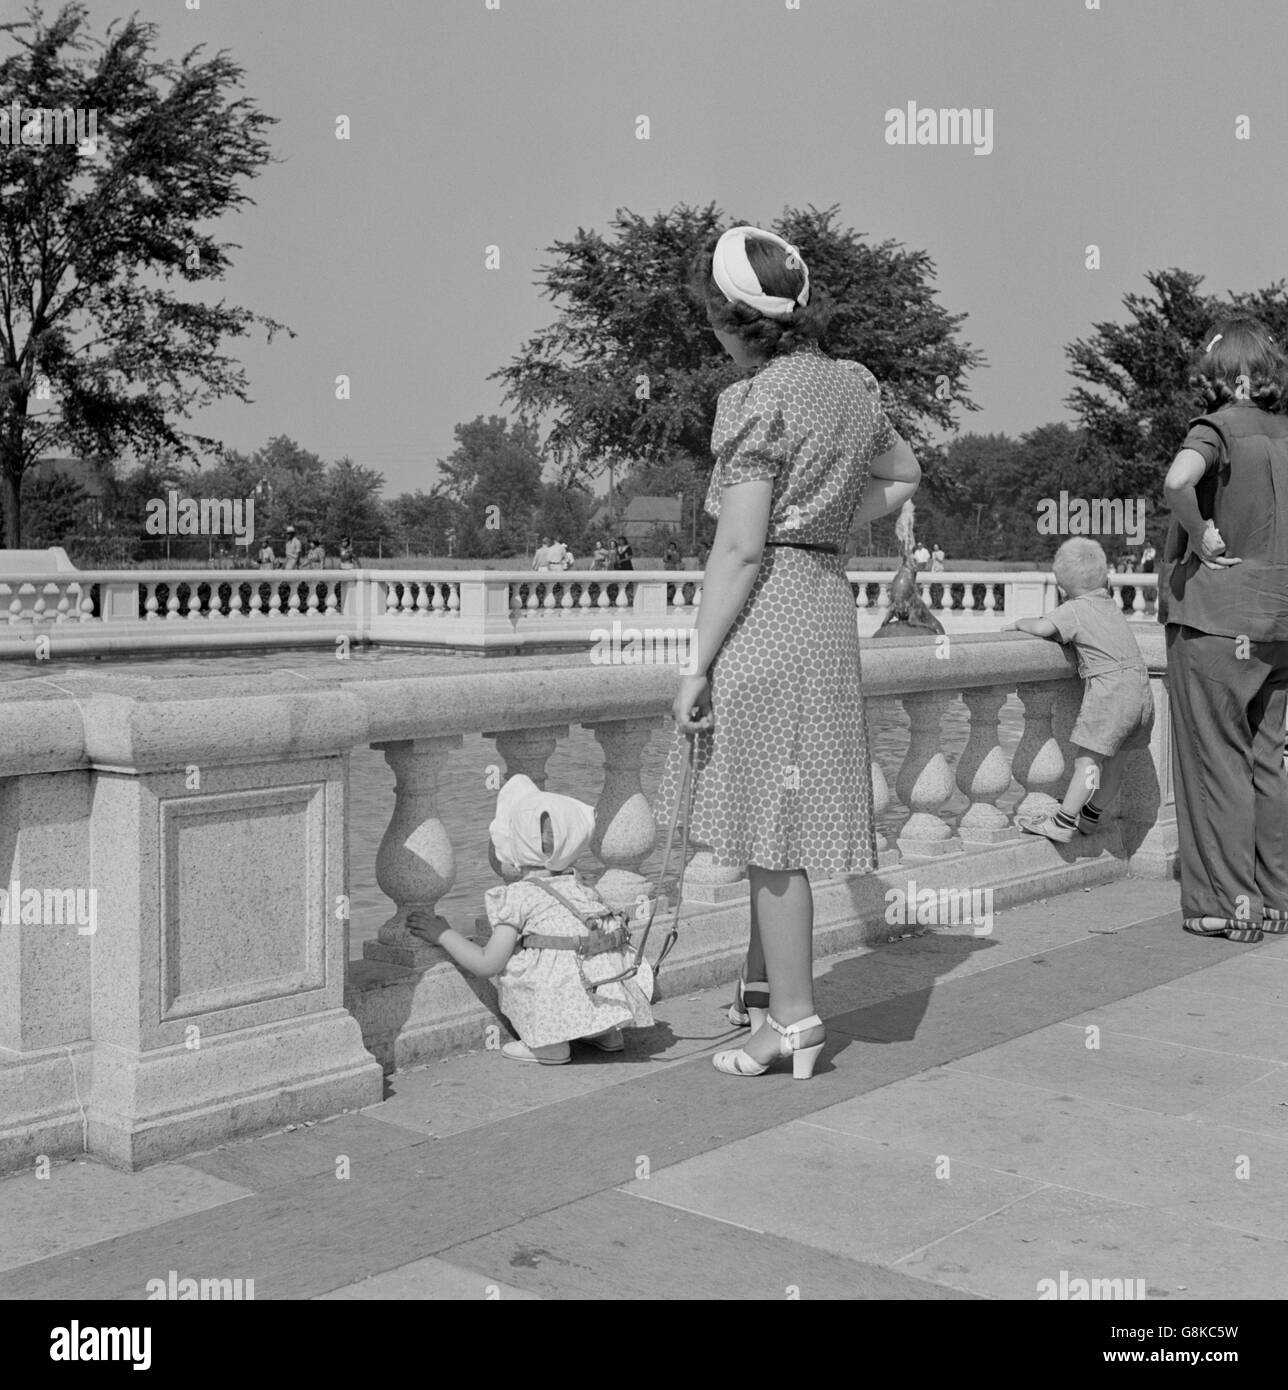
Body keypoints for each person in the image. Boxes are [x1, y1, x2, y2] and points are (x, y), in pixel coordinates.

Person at [658, 224, 921, 1079]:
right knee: (789, 816)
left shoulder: (751, 400)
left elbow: (736, 550)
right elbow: (906, 473)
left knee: (772, 832)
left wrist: (696, 663)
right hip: (825, 607)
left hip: (769, 615)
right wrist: (827, 522)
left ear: (731, 319)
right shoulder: (852, 384)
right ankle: (765, 997)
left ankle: (794, 1024)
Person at [1161, 315, 1288, 943]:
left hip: (1216, 619)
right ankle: (1276, 899)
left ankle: (1226, 903)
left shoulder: (1215, 429)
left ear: (1220, 373)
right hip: (1279, 622)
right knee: (1269, 760)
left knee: (1216, 761)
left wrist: (1204, 536)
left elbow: (1178, 480)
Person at [406, 776, 653, 1064]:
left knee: (521, 968)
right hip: (609, 990)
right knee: (574, 955)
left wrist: (443, 933)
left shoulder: (520, 895)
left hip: (563, 996)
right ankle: (605, 1033)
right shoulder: (580, 885)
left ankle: (549, 1046)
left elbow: (488, 964)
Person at [1005, 537, 1154, 843]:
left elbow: (1044, 628)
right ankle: (1090, 817)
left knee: (1088, 762)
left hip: (1111, 694)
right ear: (1107, 580)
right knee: (1117, 761)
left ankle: (1063, 821)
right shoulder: (1110, 605)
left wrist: (1020, 622)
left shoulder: (1073, 609)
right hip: (1139, 691)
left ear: (1062, 590)